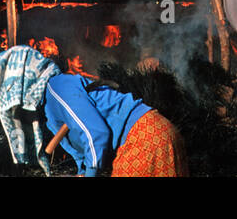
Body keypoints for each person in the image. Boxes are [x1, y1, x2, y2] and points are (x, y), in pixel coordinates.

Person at [42, 72, 188, 177]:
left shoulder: (57, 86)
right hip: (159, 131)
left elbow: (96, 133)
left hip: (143, 140)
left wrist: (91, 173)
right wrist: (83, 171)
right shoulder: (49, 108)